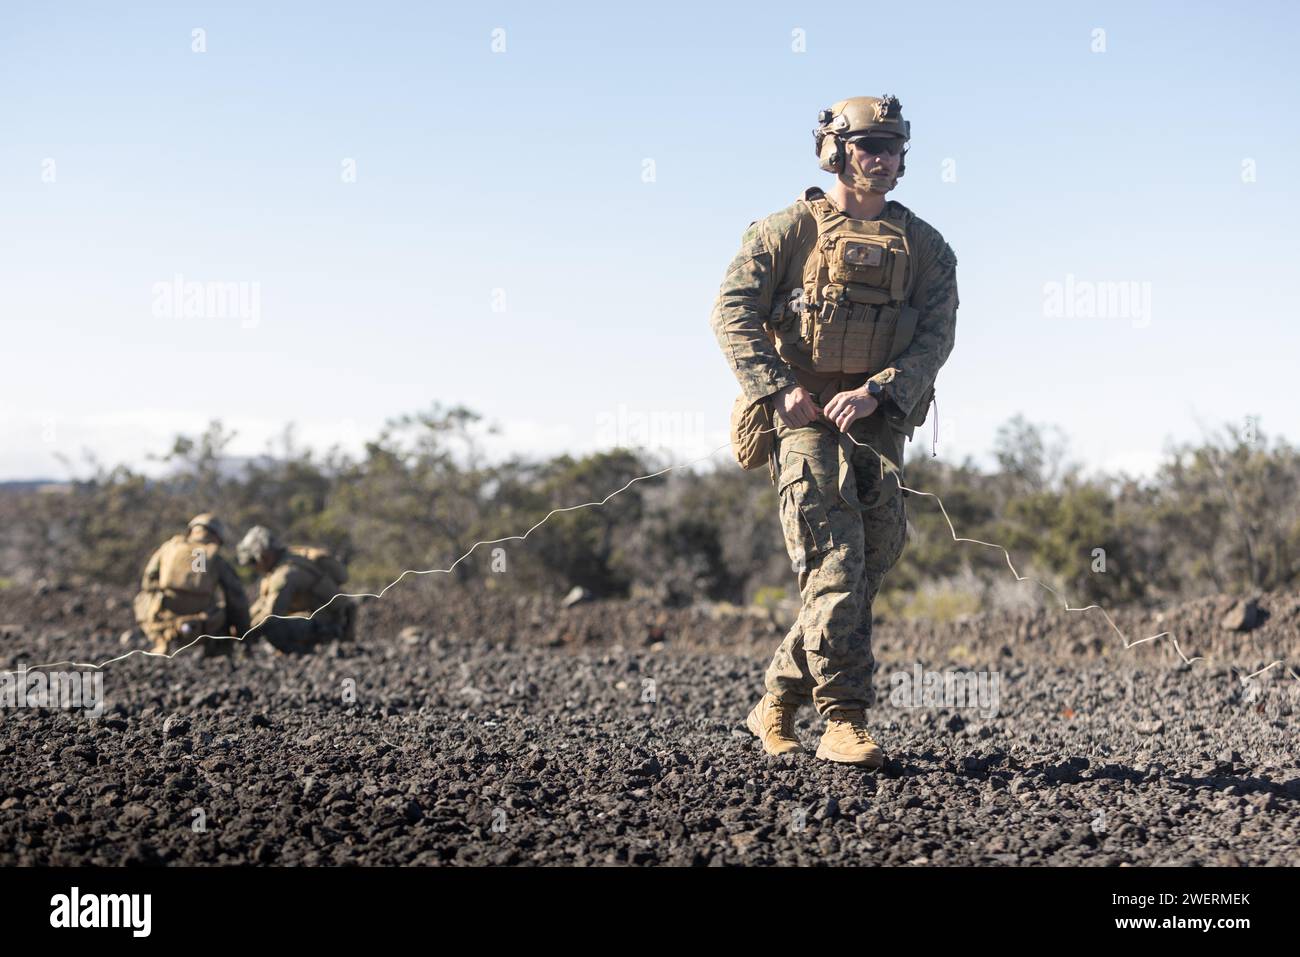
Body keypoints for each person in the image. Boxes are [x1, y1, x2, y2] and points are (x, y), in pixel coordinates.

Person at [710, 95, 959, 767]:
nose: (881, 157)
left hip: (875, 422)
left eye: (892, 146)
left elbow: (936, 337)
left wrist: (879, 390)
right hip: (802, 418)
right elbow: (731, 312)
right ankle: (843, 719)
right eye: (868, 145)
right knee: (836, 561)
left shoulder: (926, 247)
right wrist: (777, 387)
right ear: (835, 152)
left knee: (873, 557)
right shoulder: (786, 230)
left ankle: (775, 700)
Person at [133, 513, 251, 656]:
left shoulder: (168, 549)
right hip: (203, 626)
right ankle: (217, 653)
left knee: (142, 599)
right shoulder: (216, 559)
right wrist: (244, 635)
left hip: (163, 623)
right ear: (216, 536)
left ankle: (161, 641)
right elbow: (237, 599)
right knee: (227, 608)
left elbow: (148, 581)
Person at [236, 525, 357, 652]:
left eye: (253, 562)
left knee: (272, 627)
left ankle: (304, 652)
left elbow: (271, 613)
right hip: (323, 620)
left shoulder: (284, 574)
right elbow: (263, 603)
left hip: (327, 624)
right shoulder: (288, 561)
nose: (254, 568)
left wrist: (243, 632)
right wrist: (242, 622)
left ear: (264, 557)